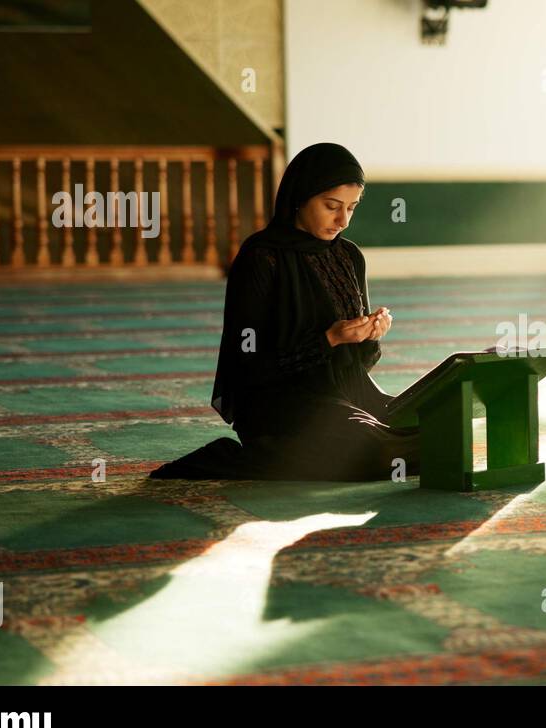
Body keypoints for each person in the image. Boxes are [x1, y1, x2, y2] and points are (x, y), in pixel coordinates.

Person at [149, 143, 419, 481]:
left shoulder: (348, 256)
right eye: (332, 206)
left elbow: (360, 363)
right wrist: (329, 338)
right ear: (300, 197)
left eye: (352, 208)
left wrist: (369, 336)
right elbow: (249, 363)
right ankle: (246, 455)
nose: (343, 220)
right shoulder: (261, 258)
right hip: (279, 405)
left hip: (346, 394)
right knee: (380, 450)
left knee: (432, 421)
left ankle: (311, 452)